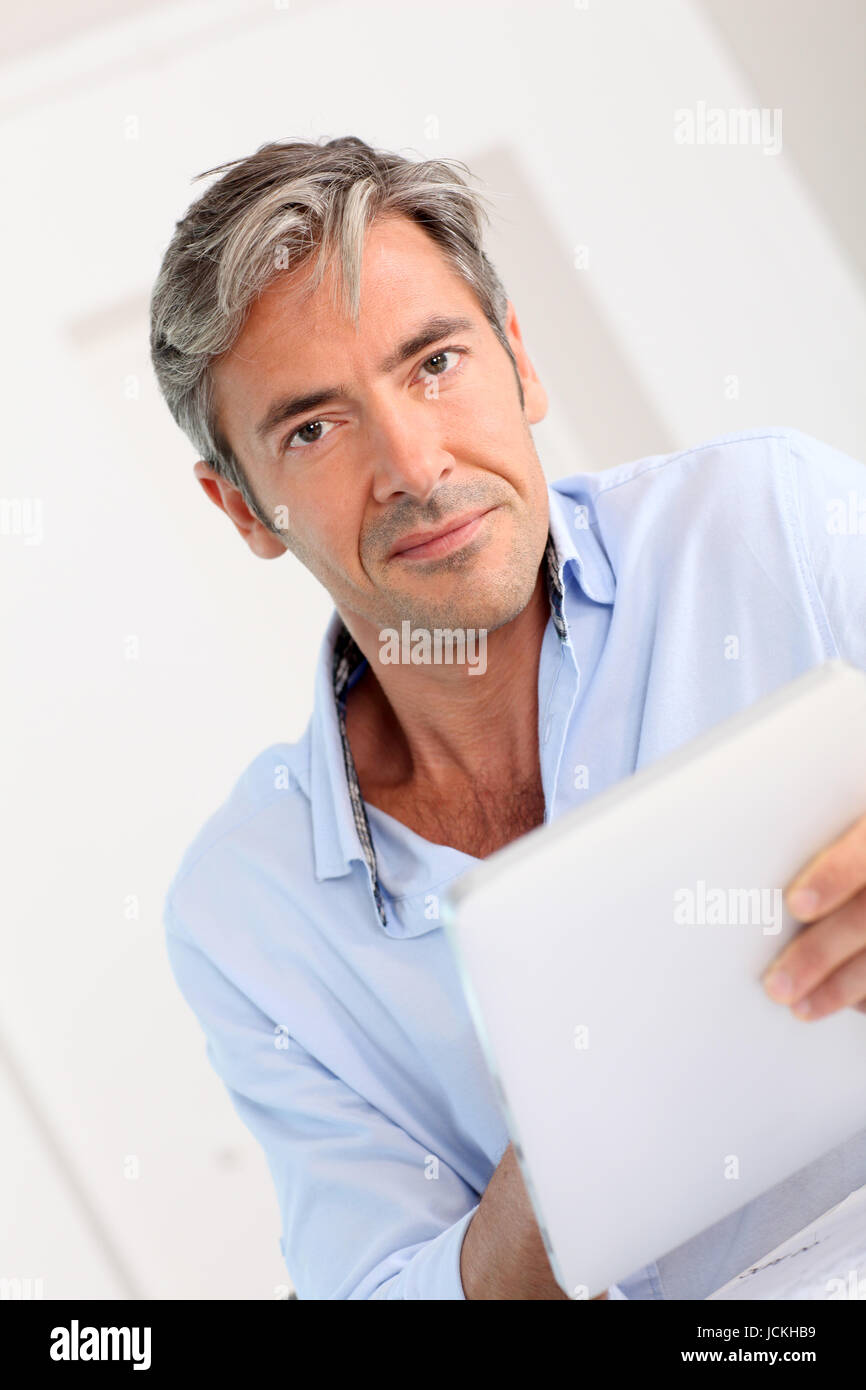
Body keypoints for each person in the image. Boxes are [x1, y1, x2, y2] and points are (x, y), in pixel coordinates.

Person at [150, 135, 866, 1299]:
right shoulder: (247, 911)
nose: (414, 464)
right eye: (313, 430)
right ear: (241, 506)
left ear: (518, 357)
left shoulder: (770, 525)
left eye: (433, 361)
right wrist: (572, 1165)